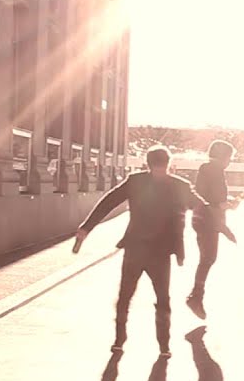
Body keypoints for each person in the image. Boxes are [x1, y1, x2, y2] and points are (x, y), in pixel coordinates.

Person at [73, 145, 205, 356]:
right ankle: (163, 346)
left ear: (147, 162)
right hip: (159, 252)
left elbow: (108, 202)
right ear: (169, 163)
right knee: (162, 298)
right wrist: (220, 217)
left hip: (137, 248)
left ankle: (120, 341)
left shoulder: (137, 181)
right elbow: (201, 208)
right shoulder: (179, 185)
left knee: (126, 296)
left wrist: (86, 227)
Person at [186, 139, 237, 318]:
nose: (230, 161)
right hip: (207, 220)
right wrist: (222, 204)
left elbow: (211, 195)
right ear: (223, 156)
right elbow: (203, 195)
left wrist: (227, 202)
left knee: (208, 258)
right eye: (229, 157)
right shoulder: (211, 169)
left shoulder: (212, 170)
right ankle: (195, 296)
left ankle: (196, 296)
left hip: (209, 219)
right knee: (208, 258)